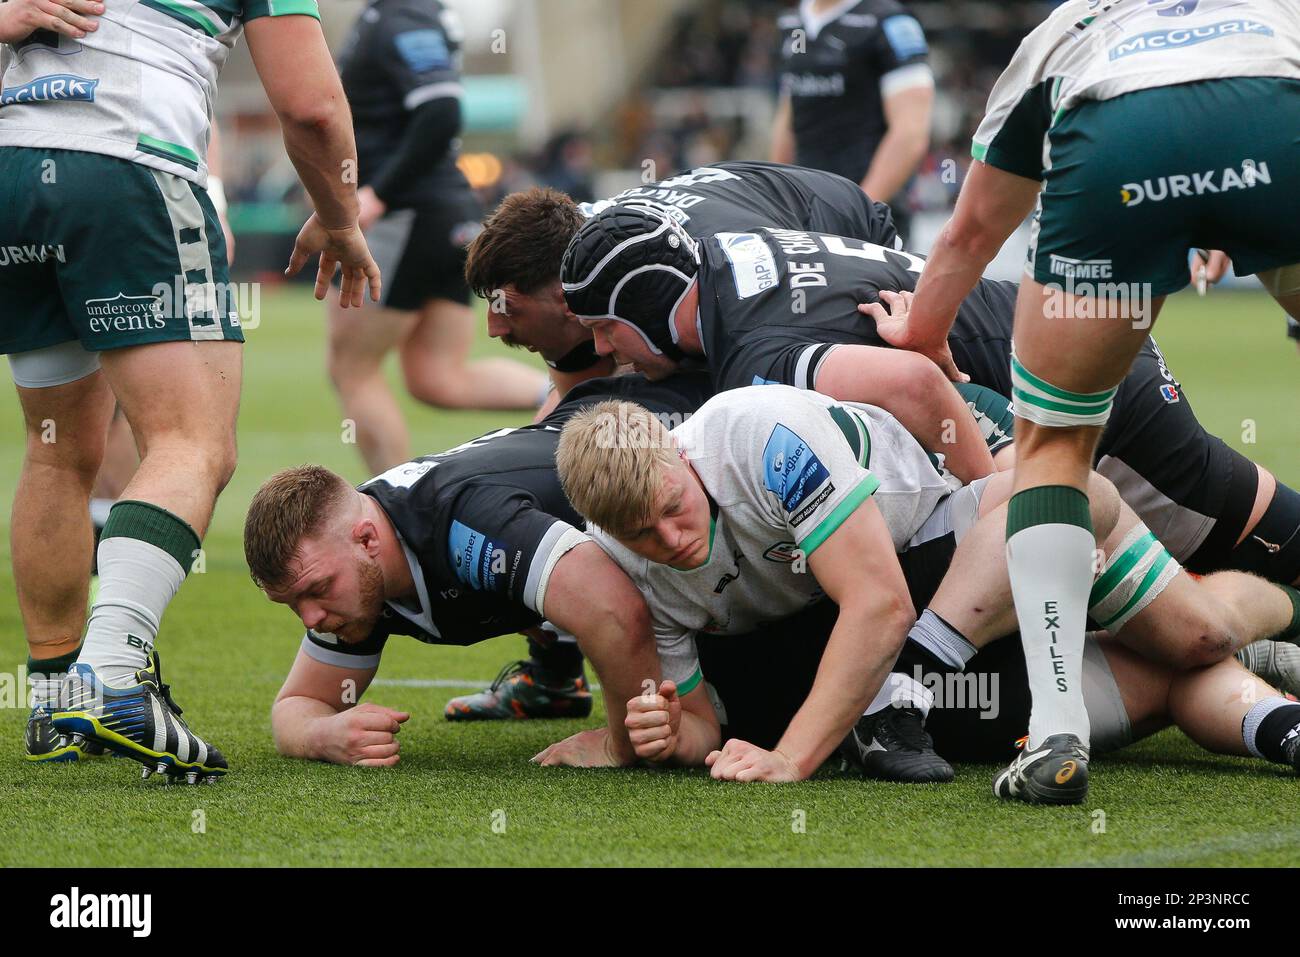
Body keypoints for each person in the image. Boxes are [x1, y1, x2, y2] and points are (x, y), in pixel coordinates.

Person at [862, 0, 1300, 803]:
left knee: (1054, 450)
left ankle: (1058, 729)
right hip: (1276, 119)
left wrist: (924, 332)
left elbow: (969, 233)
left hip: (1120, 147)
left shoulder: (1066, 28)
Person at [550, 387, 1300, 793]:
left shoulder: (760, 438)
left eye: (673, 508)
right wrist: (664, 732)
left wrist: (793, 758)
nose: (670, 539)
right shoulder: (622, 563)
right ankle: (1270, 672)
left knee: (1189, 617)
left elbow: (878, 603)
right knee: (1185, 661)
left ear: (677, 452)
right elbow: (700, 729)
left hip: (938, 555)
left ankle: (911, 674)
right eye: (643, 534)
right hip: (874, 631)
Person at [2, 0, 382, 781]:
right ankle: (109, 673)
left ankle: (55, 694)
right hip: (127, 159)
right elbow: (310, 105)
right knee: (191, 441)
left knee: (57, 455)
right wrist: (340, 218)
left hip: (12, 170)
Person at [455, 160, 903, 718]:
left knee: (783, 429)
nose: (495, 328)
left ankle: (876, 653)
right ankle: (553, 676)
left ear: (563, 301)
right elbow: (563, 424)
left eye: (508, 308)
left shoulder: (689, 283)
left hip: (837, 238)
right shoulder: (579, 266)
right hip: (728, 254)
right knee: (597, 456)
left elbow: (795, 319)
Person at [243, 374, 712, 766]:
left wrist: (619, 745)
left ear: (367, 540)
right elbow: (297, 706)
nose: (310, 618)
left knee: (742, 724)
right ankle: (556, 675)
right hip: (583, 434)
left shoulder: (460, 524)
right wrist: (322, 734)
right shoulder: (348, 565)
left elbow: (613, 611)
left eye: (316, 591)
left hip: (681, 433)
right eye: (292, 604)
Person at [328, 0, 546, 472]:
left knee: (352, 369)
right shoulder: (404, 14)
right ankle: (575, 397)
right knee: (437, 378)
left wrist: (378, 194)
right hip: (442, 213)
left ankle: (395, 515)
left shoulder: (403, 14)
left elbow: (442, 110)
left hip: (409, 215)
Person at [771, 0, 933, 244]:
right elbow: (788, 118)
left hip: (870, 220)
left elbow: (910, 133)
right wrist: (775, 201)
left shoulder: (890, 22)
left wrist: (857, 214)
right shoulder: (792, 22)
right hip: (806, 217)